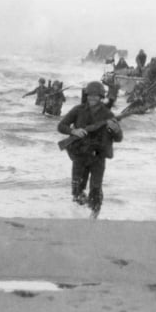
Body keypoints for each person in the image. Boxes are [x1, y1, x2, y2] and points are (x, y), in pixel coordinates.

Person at [57, 81, 123, 219]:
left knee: (95, 189)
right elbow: (61, 126)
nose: (92, 97)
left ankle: (94, 214)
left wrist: (116, 130)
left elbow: (118, 138)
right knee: (76, 191)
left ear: (101, 97)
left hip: (98, 156)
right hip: (80, 154)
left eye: (96, 95)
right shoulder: (78, 110)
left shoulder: (107, 114)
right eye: (90, 95)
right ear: (86, 95)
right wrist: (74, 131)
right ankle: (87, 206)